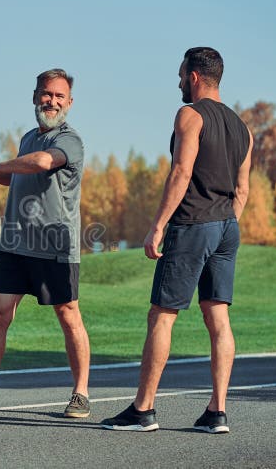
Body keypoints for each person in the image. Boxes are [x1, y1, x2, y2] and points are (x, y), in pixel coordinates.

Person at [101, 47, 253, 433]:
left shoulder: (190, 115)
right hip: (226, 227)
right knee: (218, 318)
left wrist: (158, 226)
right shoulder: (243, 129)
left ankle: (143, 409)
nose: (179, 82)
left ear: (195, 76)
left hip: (192, 224)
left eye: (181, 75)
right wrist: (224, 225)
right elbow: (243, 190)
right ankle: (217, 412)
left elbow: (181, 172)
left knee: (162, 315)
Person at [0, 69, 91, 420]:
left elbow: (44, 163)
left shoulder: (70, 140)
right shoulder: (28, 138)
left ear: (69, 103)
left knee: (68, 315)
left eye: (59, 96)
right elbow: (23, 173)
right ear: (35, 97)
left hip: (55, 245)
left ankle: (80, 393)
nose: (52, 101)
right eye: (46, 94)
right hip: (15, 244)